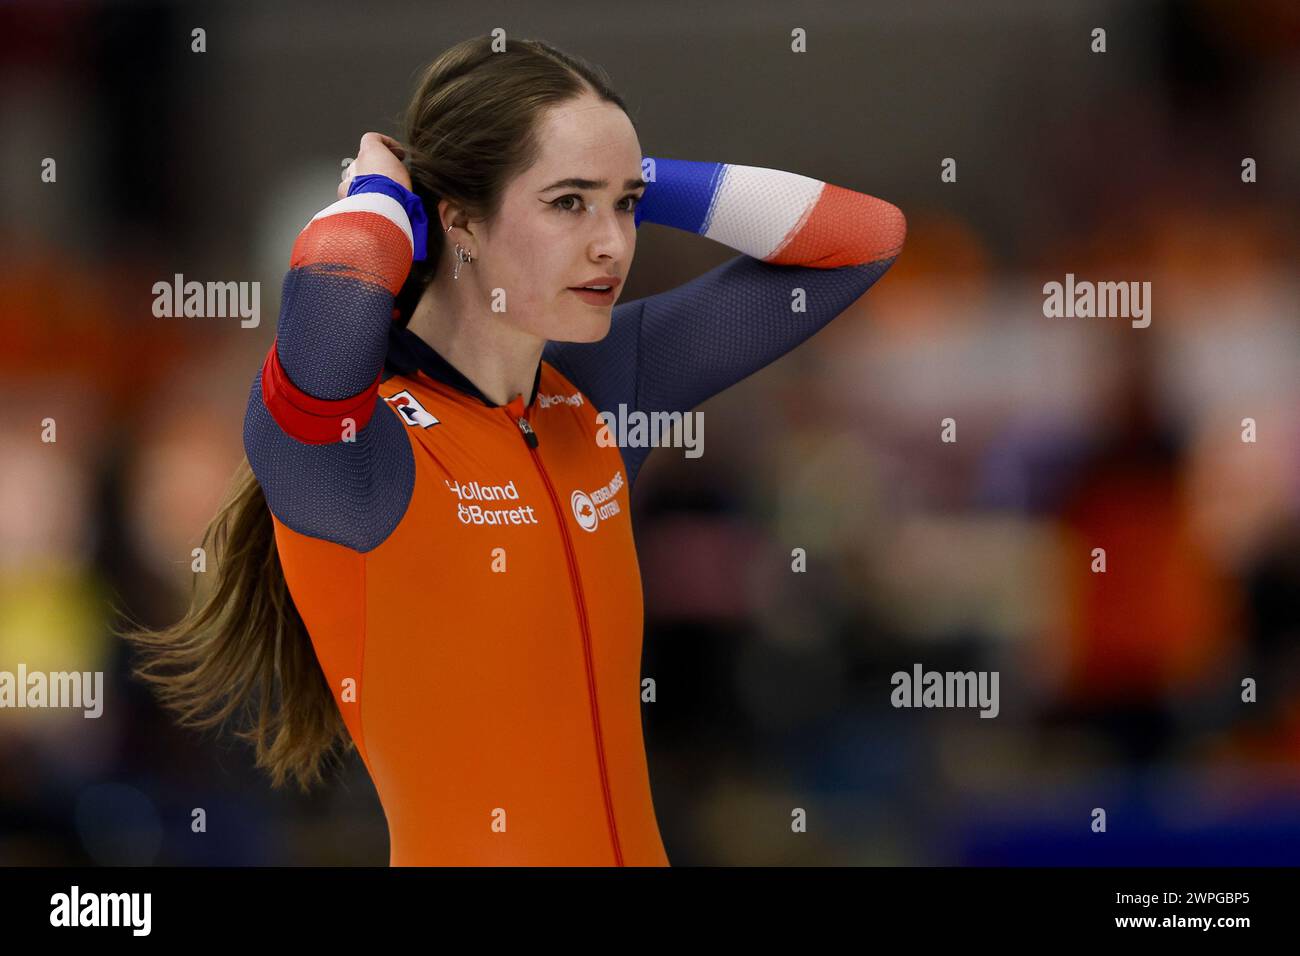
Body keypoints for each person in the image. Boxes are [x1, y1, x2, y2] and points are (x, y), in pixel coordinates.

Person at [124, 35, 905, 866]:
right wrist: (386, 196)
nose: (612, 244)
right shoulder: (358, 451)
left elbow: (863, 237)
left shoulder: (601, 391)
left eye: (625, 208)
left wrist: (624, 172)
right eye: (567, 205)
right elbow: (339, 282)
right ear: (457, 217)